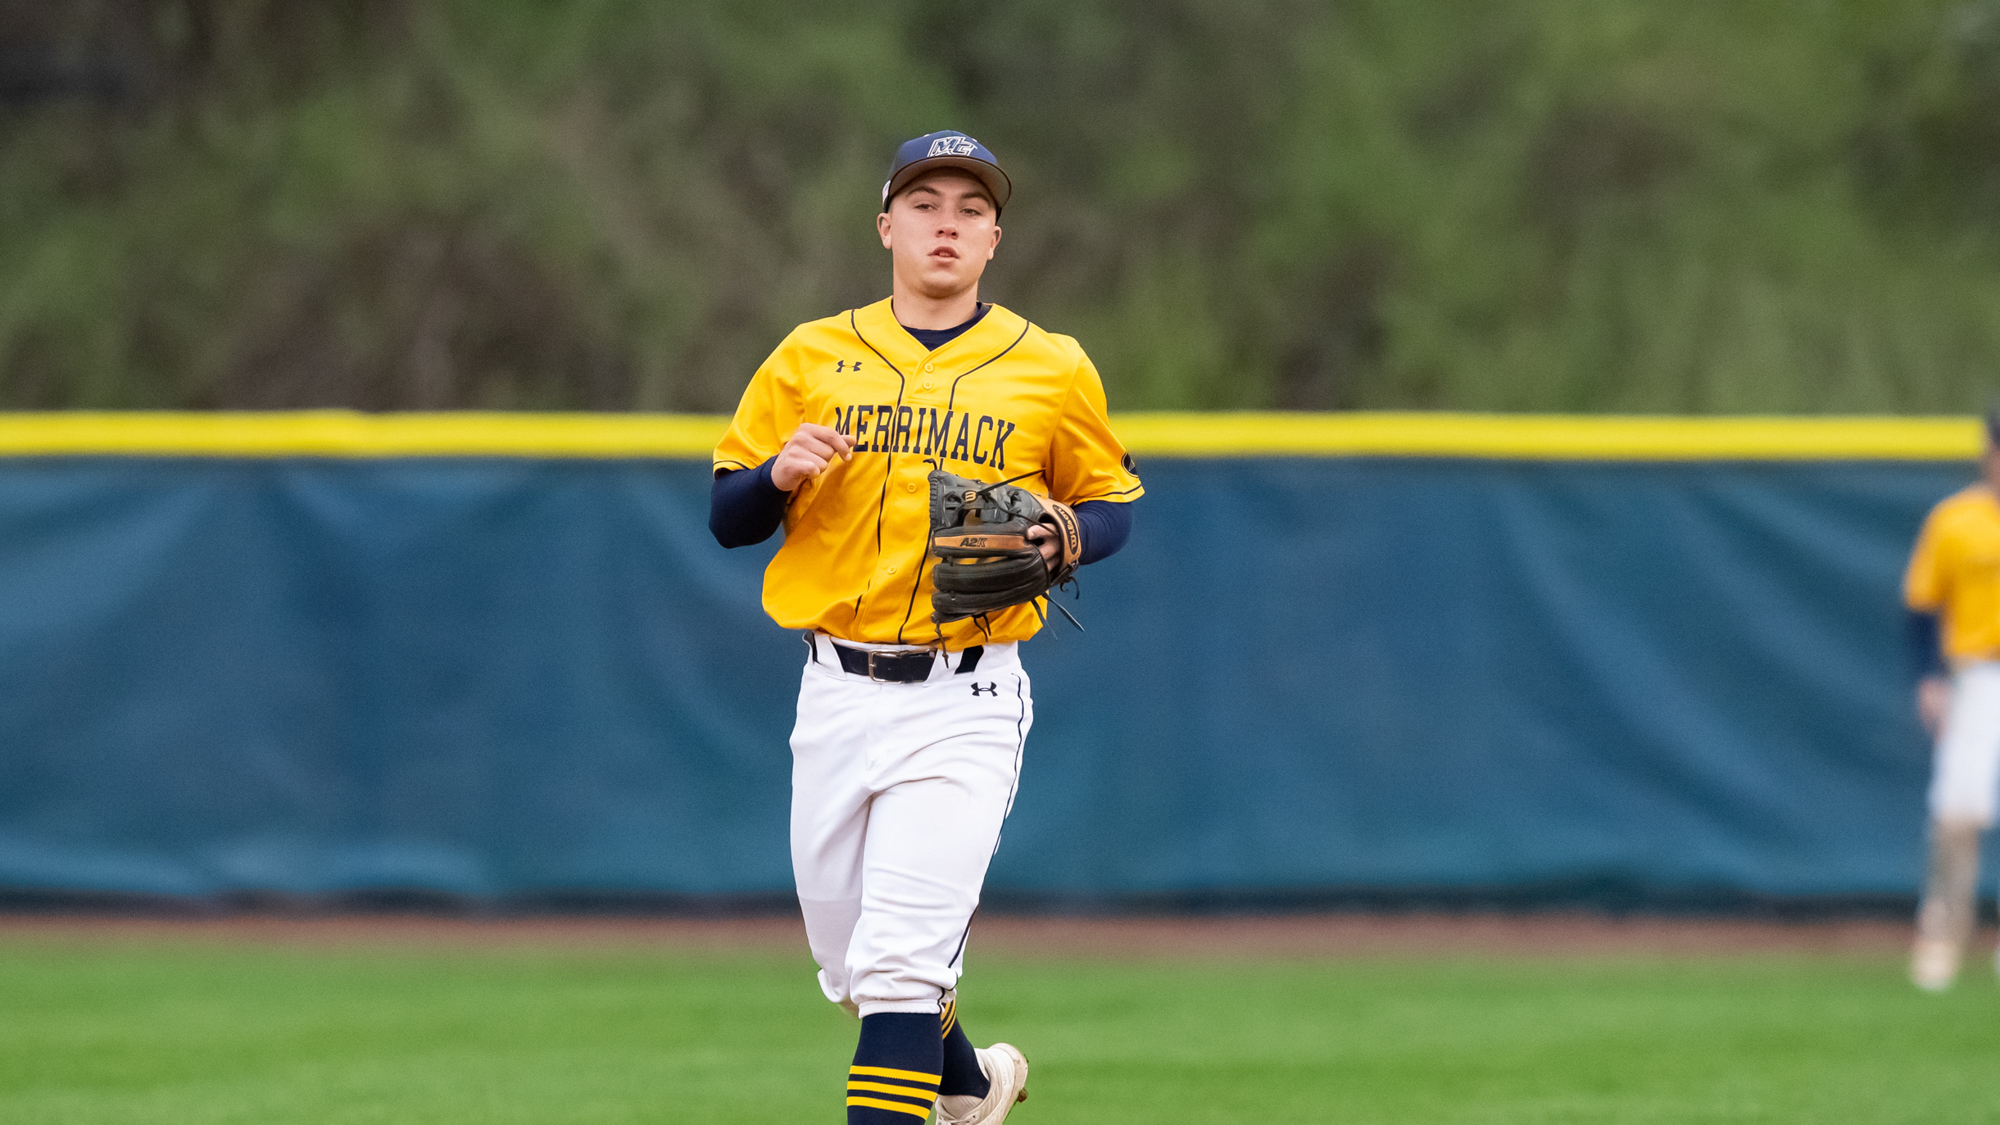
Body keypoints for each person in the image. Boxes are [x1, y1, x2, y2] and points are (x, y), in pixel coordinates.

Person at [708, 130, 1143, 1123]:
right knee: (855, 973)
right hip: (833, 692)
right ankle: (977, 1089)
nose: (946, 224)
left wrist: (1067, 530)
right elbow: (726, 519)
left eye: (970, 209)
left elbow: (1112, 503)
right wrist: (775, 477)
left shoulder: (1049, 366)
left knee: (899, 972)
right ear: (885, 227)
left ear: (993, 239)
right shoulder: (809, 357)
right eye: (925, 204)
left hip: (966, 695)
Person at [1904, 405, 2000, 990]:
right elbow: (1920, 605)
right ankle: (1942, 934)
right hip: (1978, 676)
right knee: (1956, 811)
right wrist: (1928, 678)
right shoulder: (1956, 519)